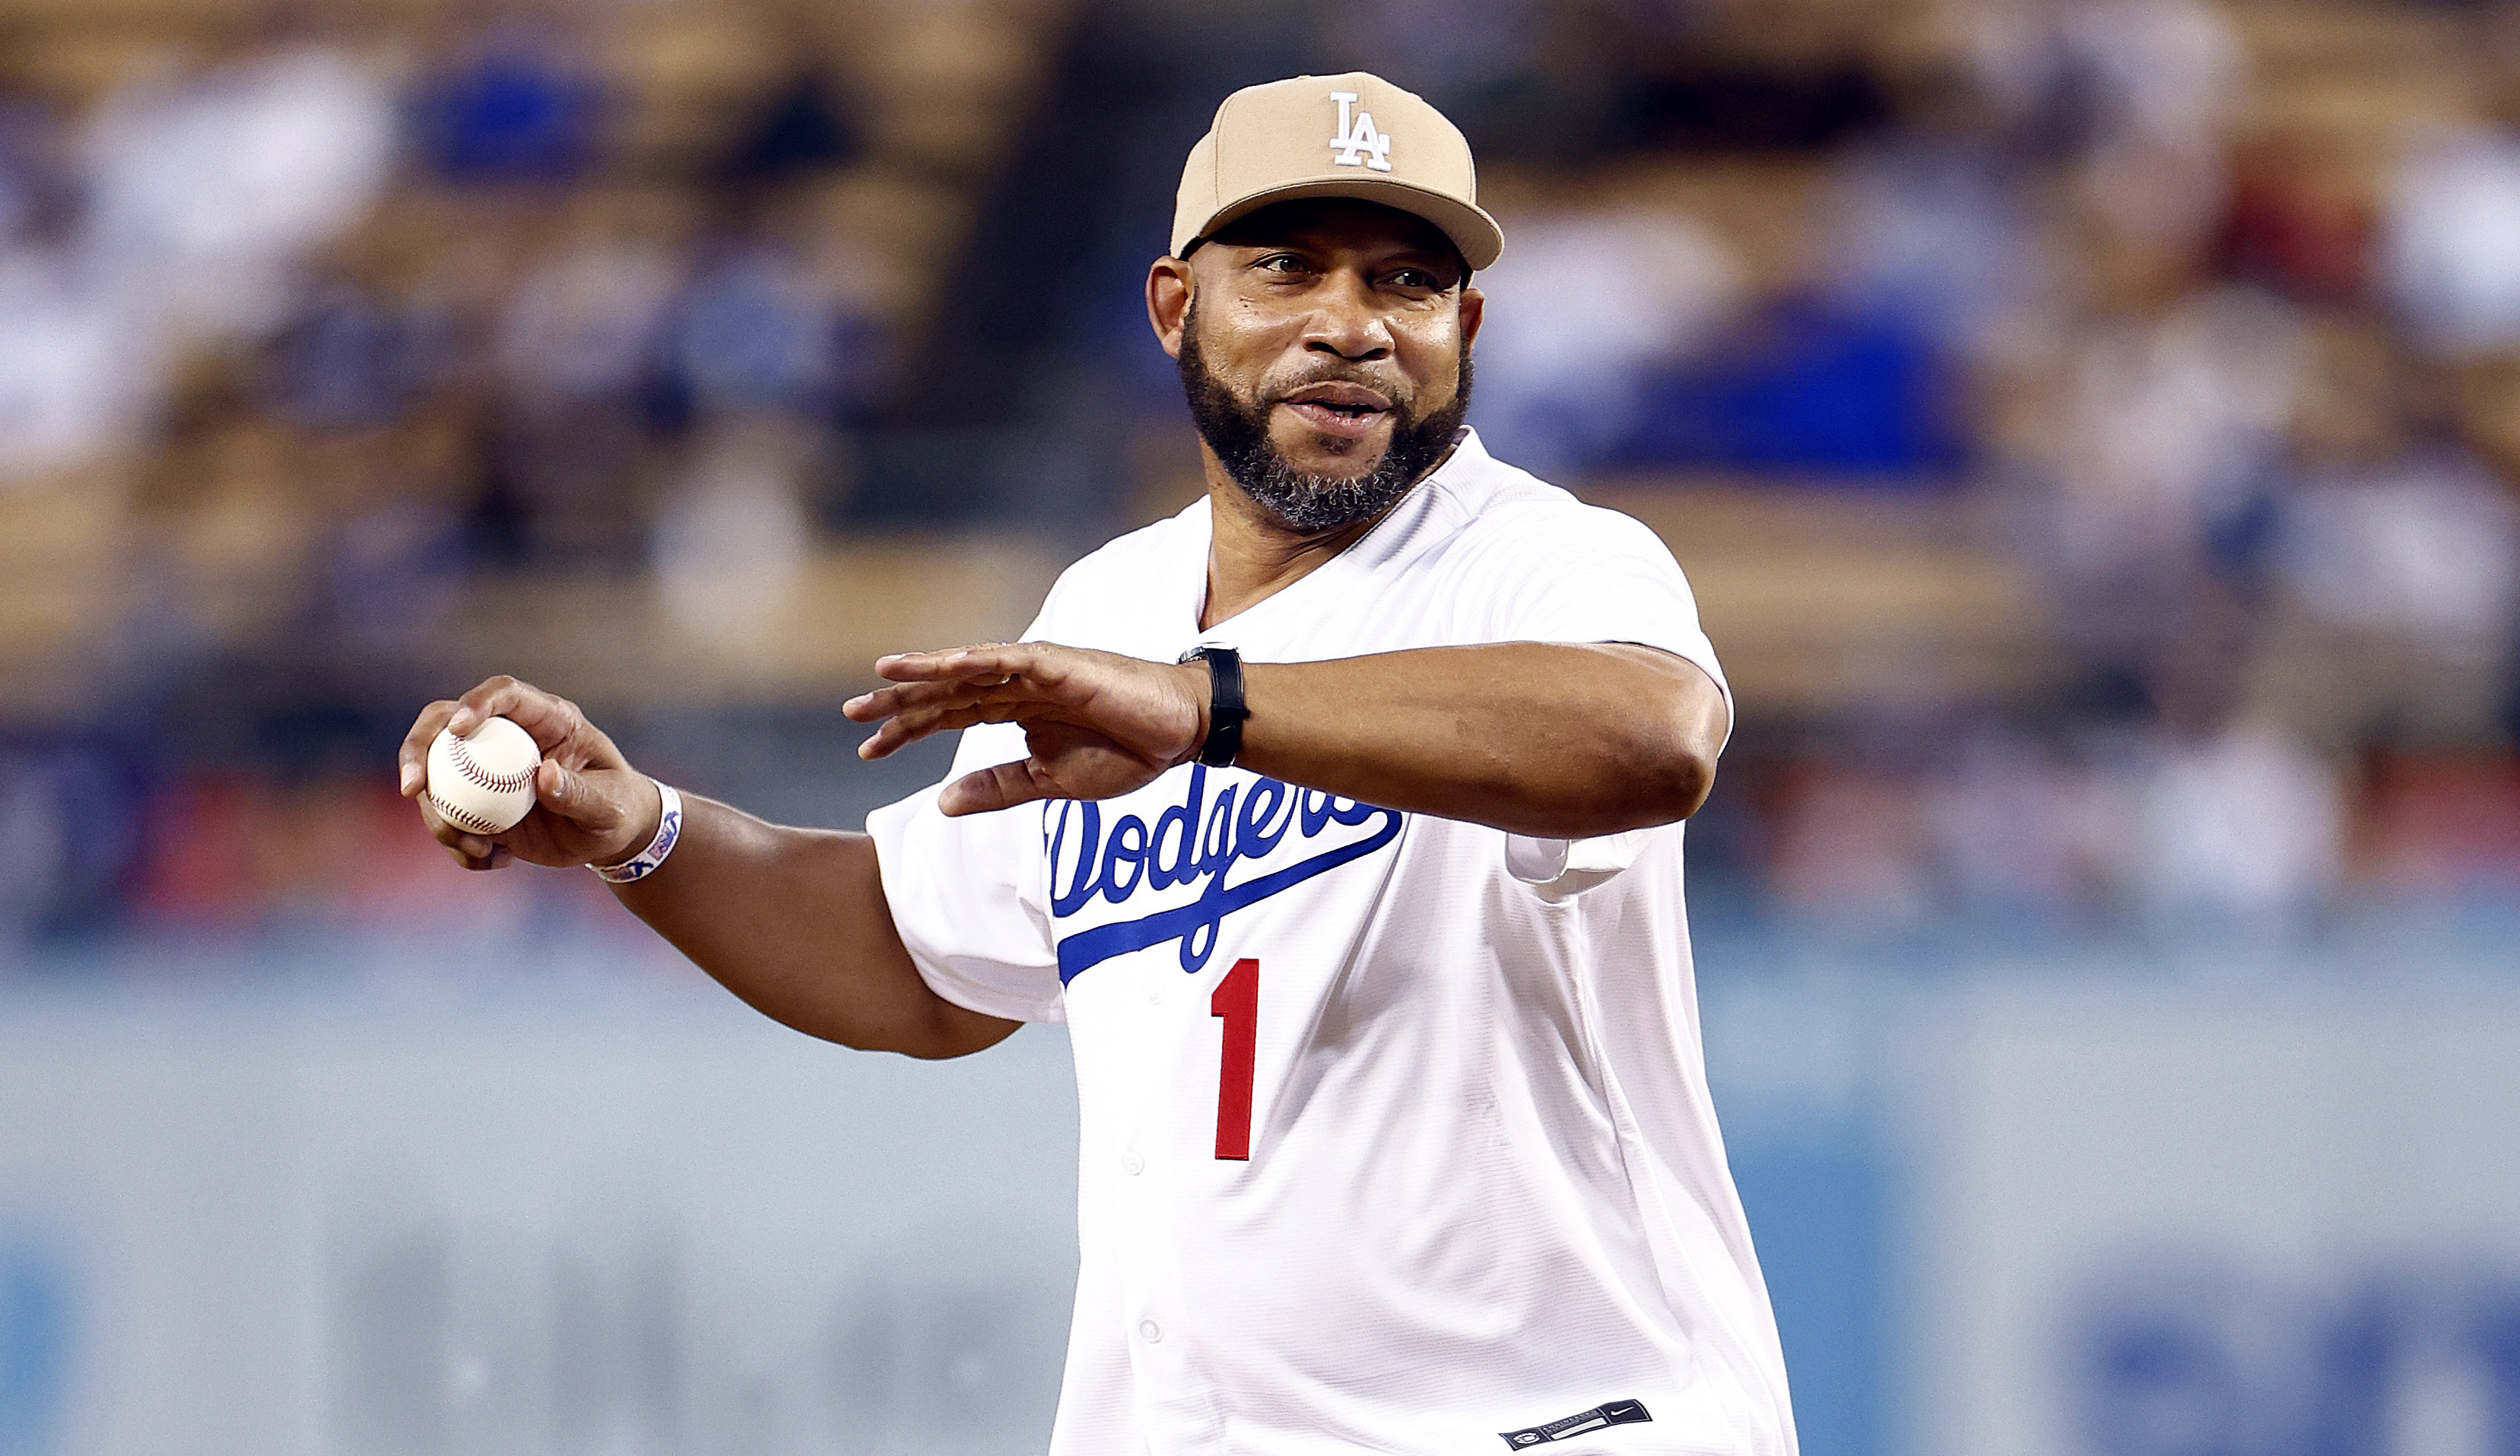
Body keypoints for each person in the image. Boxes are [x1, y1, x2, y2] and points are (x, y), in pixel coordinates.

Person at [400, 72, 1795, 1456]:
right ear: (1175, 308)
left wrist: (1206, 706)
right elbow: (916, 956)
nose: (1351, 323)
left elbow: (1649, 739)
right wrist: (638, 833)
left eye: (1407, 282)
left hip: (1551, 1424)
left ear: (1464, 328)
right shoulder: (1112, 607)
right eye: (1287, 267)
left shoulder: (1543, 562)